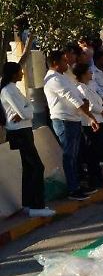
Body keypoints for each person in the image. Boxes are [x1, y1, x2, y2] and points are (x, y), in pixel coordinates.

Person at [44, 50, 100, 200]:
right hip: (64, 121)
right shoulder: (54, 80)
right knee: (69, 156)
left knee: (75, 156)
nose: (67, 63)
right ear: (55, 63)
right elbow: (73, 98)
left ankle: (77, 185)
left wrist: (85, 106)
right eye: (63, 61)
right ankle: (73, 189)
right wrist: (90, 117)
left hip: (72, 120)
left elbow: (77, 94)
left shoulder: (63, 77)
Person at [1, 62, 55, 217]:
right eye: (19, 72)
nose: (22, 74)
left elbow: (26, 109)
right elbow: (27, 113)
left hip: (23, 130)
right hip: (19, 132)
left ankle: (29, 204)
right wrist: (27, 108)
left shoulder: (12, 89)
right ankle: (37, 205)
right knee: (37, 167)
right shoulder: (8, 90)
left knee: (30, 167)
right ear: (13, 74)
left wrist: (26, 108)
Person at [75, 64, 103, 190]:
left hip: (99, 119)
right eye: (89, 72)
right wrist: (102, 110)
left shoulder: (88, 86)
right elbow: (89, 106)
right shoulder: (81, 88)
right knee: (92, 152)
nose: (91, 74)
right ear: (83, 74)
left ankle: (99, 175)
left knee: (98, 150)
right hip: (90, 123)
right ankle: (94, 178)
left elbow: (97, 101)